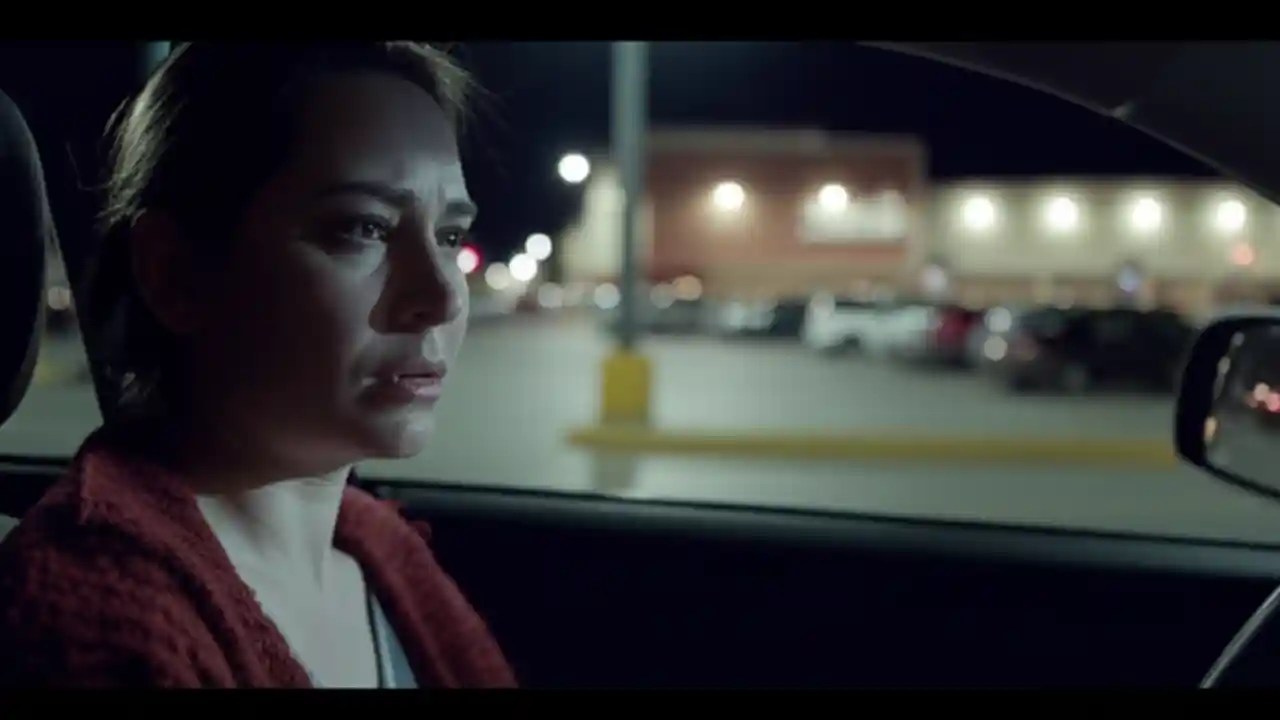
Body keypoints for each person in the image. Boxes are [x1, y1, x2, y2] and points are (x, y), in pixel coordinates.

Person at [0, 42, 516, 688]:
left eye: (447, 235)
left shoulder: (383, 555)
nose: (441, 297)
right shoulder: (91, 618)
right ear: (175, 274)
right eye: (363, 228)